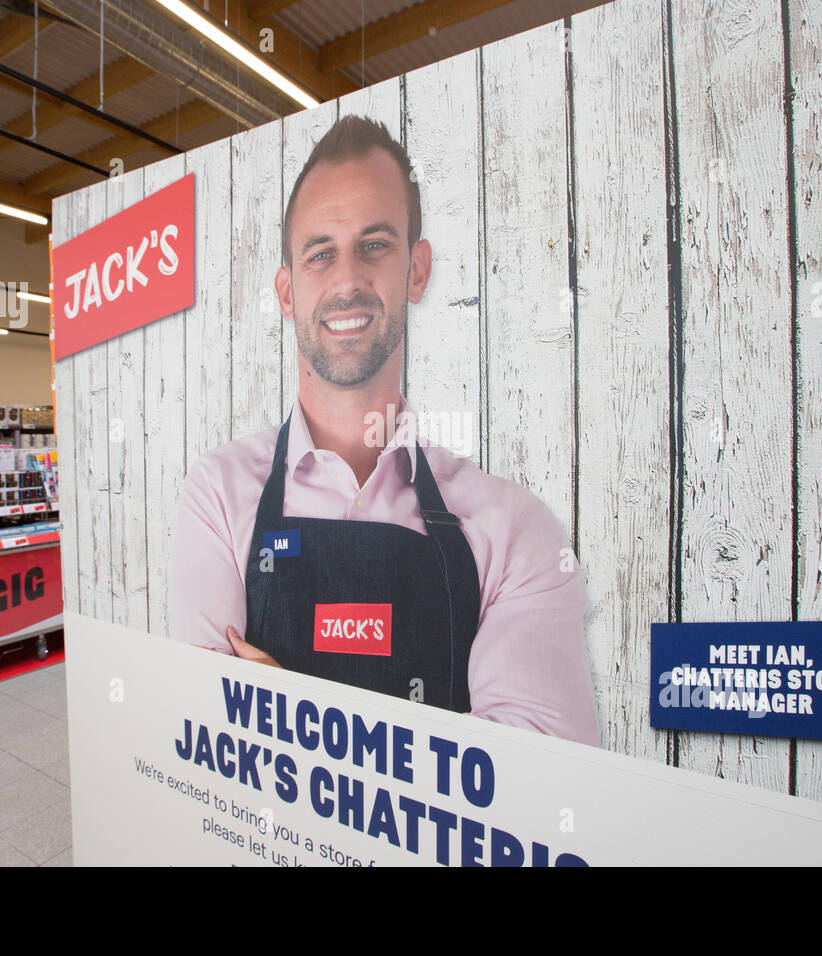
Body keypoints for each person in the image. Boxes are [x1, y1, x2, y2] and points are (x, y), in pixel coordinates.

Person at [168, 115, 599, 746]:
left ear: (416, 271)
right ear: (286, 292)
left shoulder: (518, 534)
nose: (346, 281)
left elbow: (530, 803)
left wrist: (286, 704)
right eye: (321, 254)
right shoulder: (216, 495)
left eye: (374, 245)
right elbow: (210, 747)